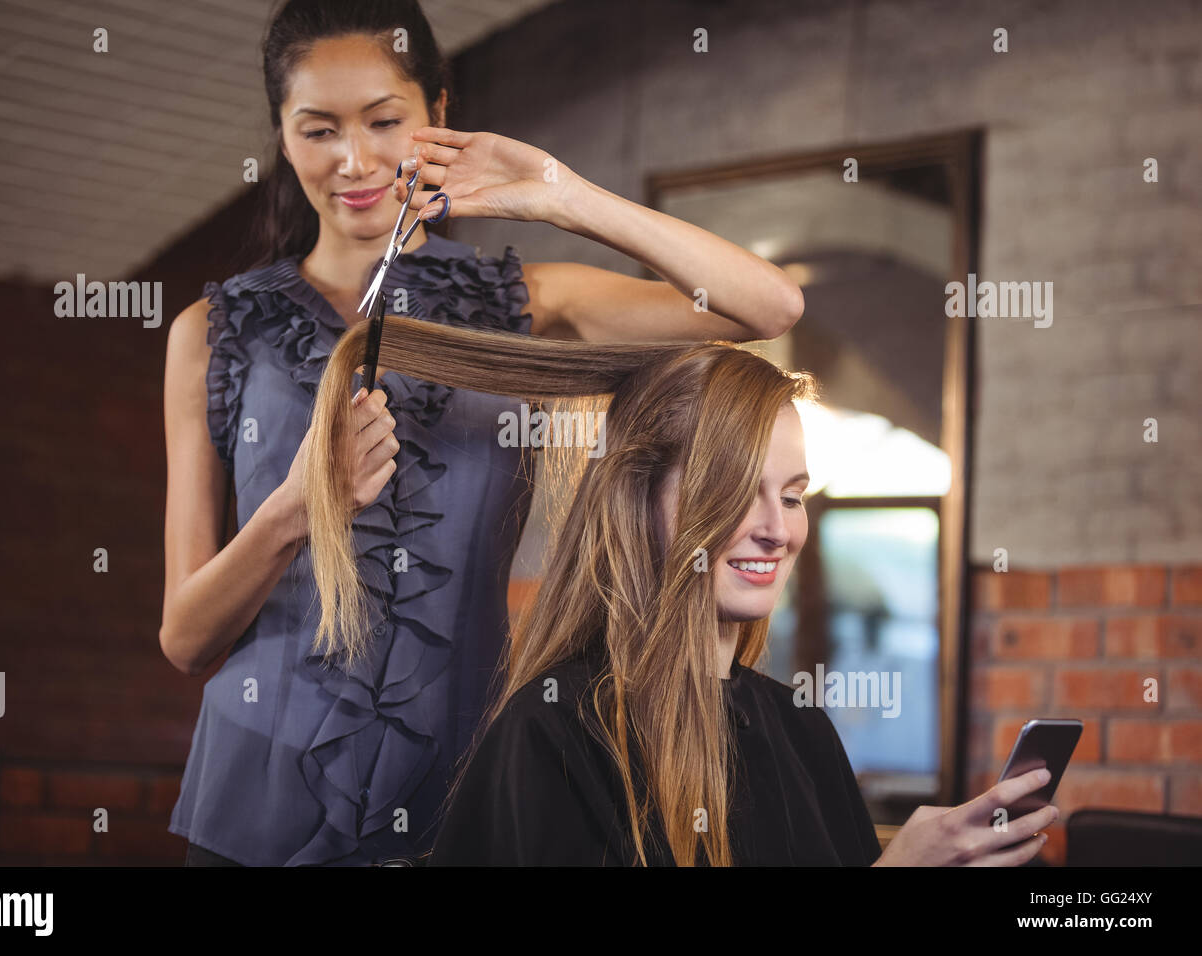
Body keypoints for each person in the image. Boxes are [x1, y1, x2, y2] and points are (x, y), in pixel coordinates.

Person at [160, 0, 804, 866]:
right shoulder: (214, 330)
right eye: (318, 130)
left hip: (467, 788)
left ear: (438, 115)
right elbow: (184, 637)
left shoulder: (523, 304)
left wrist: (560, 194)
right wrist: (296, 507)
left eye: (385, 121)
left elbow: (767, 307)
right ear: (281, 137)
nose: (354, 160)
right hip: (253, 800)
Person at [295, 313, 1059, 866]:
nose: (775, 529)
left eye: (791, 495)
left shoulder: (800, 729)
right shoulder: (553, 736)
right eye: (732, 488)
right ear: (639, 498)